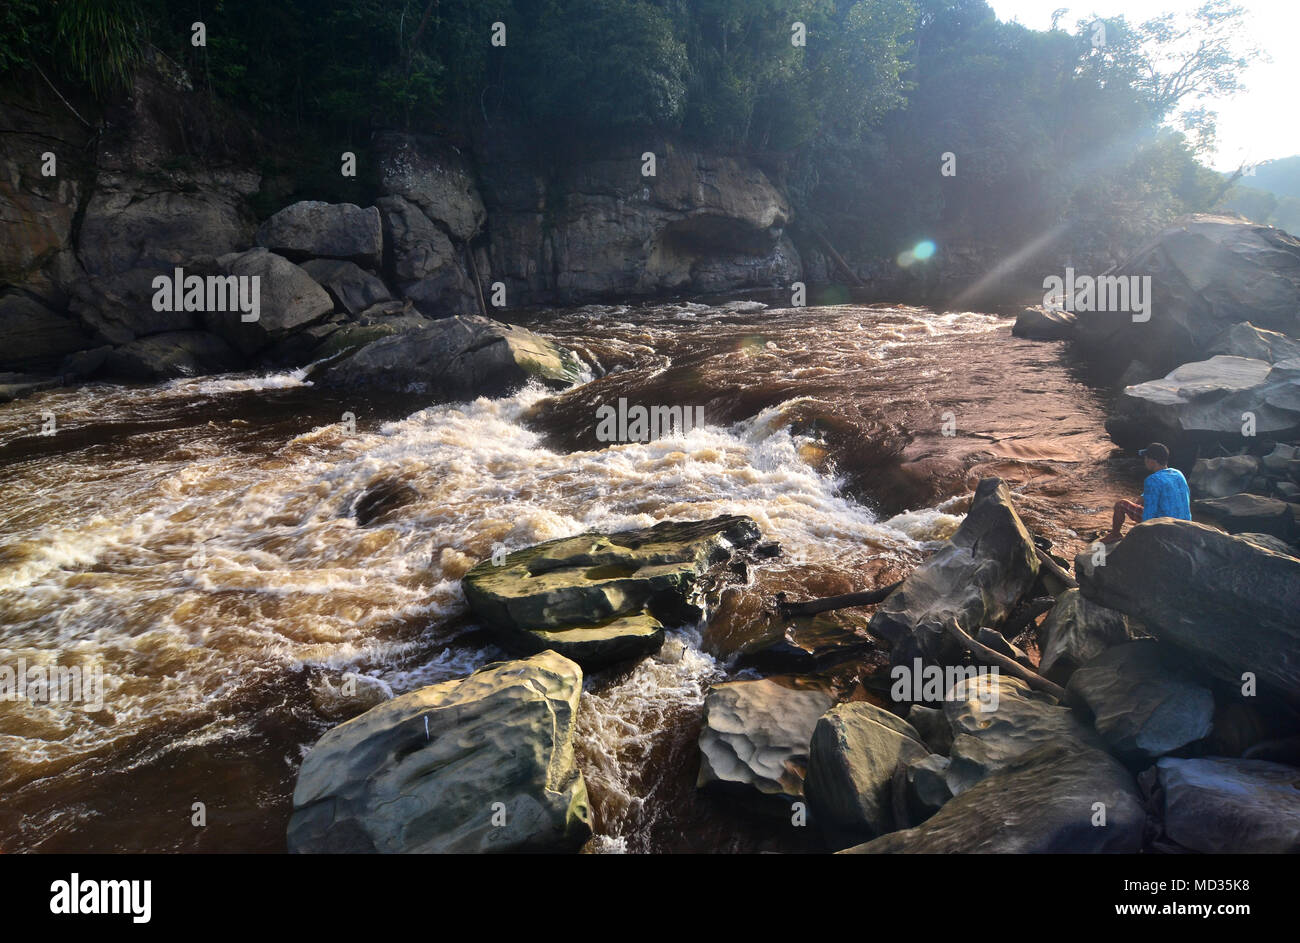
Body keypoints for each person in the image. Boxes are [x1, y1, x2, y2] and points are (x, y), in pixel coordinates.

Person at [1101, 442, 1191, 543]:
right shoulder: (1178, 473)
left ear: (1152, 461)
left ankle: (1115, 535)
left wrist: (1140, 533)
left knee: (1120, 504)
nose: (1145, 461)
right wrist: (1142, 498)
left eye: (1146, 458)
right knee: (1144, 500)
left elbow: (1149, 515)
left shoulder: (1152, 480)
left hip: (1165, 527)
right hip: (1184, 524)